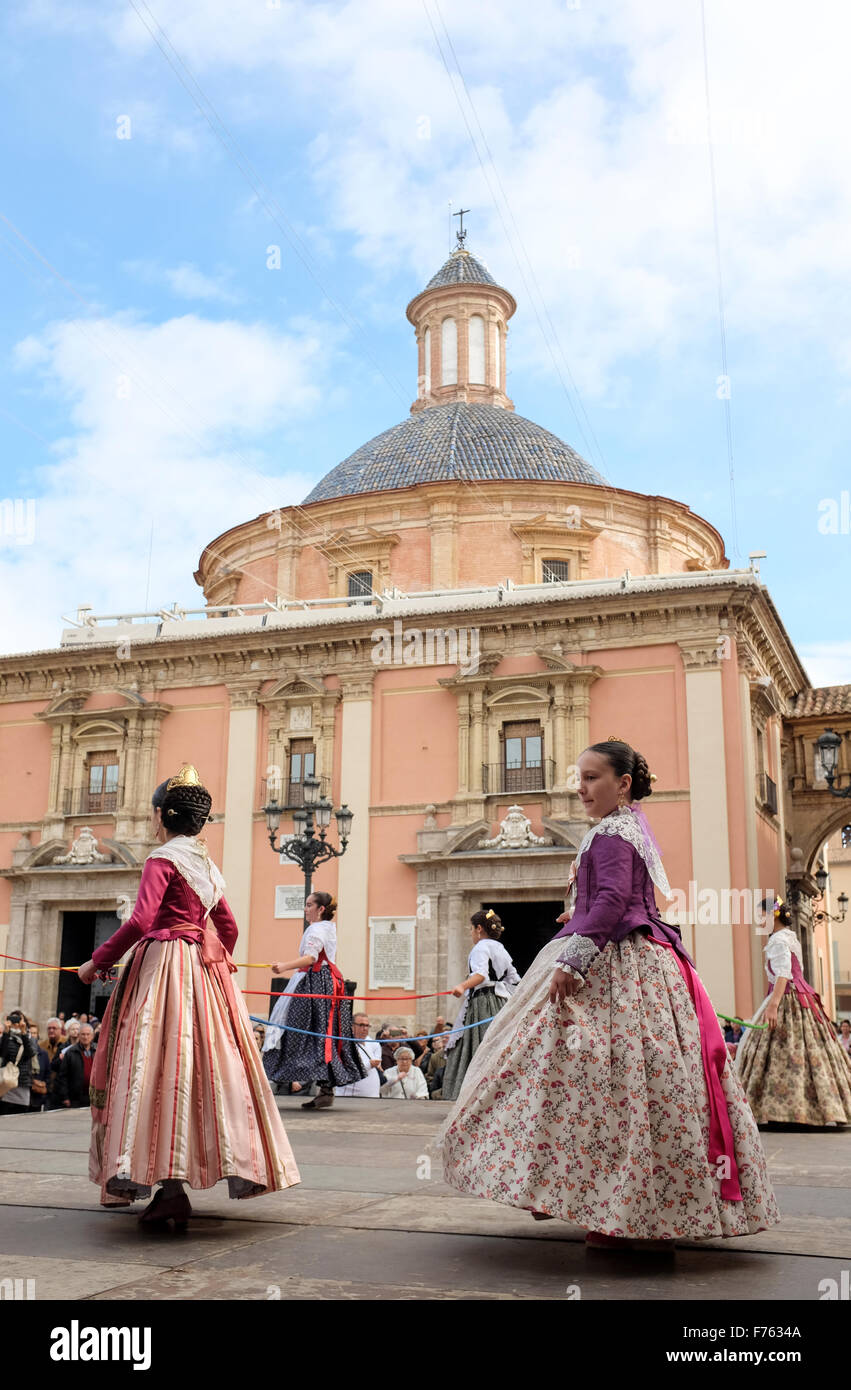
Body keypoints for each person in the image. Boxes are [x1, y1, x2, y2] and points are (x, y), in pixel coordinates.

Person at [434, 737, 780, 1248]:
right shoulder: (624, 829)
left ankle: (609, 1208)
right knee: (619, 1089)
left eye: (592, 777)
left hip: (616, 963)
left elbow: (616, 900)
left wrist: (574, 956)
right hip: (633, 958)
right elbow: (612, 898)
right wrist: (579, 918)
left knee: (588, 1082)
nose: (581, 787)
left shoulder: (611, 834)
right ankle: (615, 1202)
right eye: (578, 778)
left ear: (622, 784)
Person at [76, 764, 300, 1227]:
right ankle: (206, 1170)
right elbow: (230, 928)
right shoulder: (207, 867)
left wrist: (97, 962)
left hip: (162, 968)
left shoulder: (161, 859)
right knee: (206, 1073)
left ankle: (168, 1186)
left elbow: (140, 922)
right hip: (202, 970)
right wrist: (211, 960)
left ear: (163, 815)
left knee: (152, 1068)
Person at [736, 898, 851, 1125]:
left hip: (787, 998)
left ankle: (784, 1112)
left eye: (762, 915)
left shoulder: (779, 940)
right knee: (804, 1052)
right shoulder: (789, 937)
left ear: (774, 916)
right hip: (801, 998)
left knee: (784, 1051)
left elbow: (784, 974)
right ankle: (810, 1109)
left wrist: (773, 1005)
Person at [262, 890, 365, 1110]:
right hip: (325, 981)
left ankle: (276, 1080)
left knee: (302, 1031)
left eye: (310, 905)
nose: (306, 908)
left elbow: (311, 957)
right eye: (306, 904)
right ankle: (325, 1089)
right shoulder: (326, 928)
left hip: (315, 982)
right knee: (322, 1033)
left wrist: (283, 967)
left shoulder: (317, 929)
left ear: (320, 909)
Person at [440, 910, 521, 1103]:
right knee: (498, 1045)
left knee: (476, 1047)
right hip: (500, 1002)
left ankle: (473, 1096)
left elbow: (481, 975)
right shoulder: (500, 948)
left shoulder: (481, 947)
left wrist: (462, 985)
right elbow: (514, 978)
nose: (470, 933)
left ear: (478, 928)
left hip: (483, 1003)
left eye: (471, 928)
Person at [335, 1013, 384, 1098]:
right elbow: (347, 1070)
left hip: (371, 1097)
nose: (365, 1029)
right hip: (351, 1098)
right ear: (352, 1026)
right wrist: (370, 1064)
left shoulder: (371, 1043)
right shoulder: (344, 1044)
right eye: (361, 1025)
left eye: (367, 1025)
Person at [0, 1010, 39, 1116]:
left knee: (21, 1115)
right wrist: (6, 1033)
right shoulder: (7, 1037)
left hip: (22, 1083)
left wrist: (23, 1033)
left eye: (19, 1019)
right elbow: (2, 1053)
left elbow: (30, 1053)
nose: (16, 1023)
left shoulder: (30, 1038)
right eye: (13, 1019)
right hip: (7, 1083)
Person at [55, 1023, 97, 1108]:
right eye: (83, 1034)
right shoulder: (71, 1052)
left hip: (93, 1097)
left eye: (88, 1034)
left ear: (92, 1036)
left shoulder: (97, 1051)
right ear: (79, 1036)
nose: (85, 1037)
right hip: (75, 1098)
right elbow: (63, 1076)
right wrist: (65, 1097)